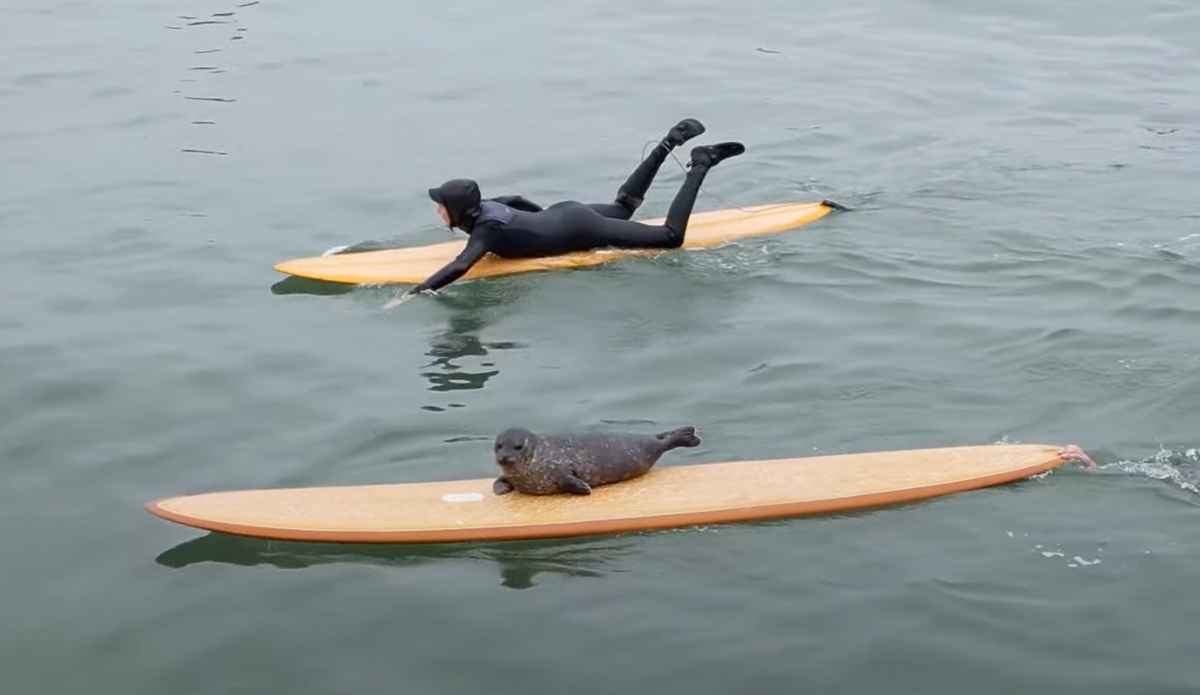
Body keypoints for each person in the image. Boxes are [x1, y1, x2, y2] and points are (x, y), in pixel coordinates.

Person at [402, 118, 745, 298]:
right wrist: (544, 220)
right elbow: (517, 200)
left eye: (441, 206)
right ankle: (668, 141)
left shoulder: (486, 232)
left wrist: (415, 293)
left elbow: (461, 265)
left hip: (580, 227)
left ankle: (701, 162)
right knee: (623, 206)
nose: (438, 211)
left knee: (671, 237)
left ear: (458, 210)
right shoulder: (489, 206)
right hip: (566, 212)